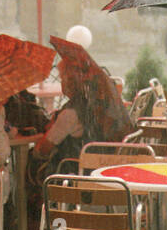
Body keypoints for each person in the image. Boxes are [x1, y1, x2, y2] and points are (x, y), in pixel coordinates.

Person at [28, 35, 133, 192]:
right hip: (104, 171)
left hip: (74, 175)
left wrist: (37, 146)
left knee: (30, 165)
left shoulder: (71, 113)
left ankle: (40, 214)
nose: (62, 82)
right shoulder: (98, 103)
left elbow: (44, 149)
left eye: (63, 77)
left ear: (72, 80)